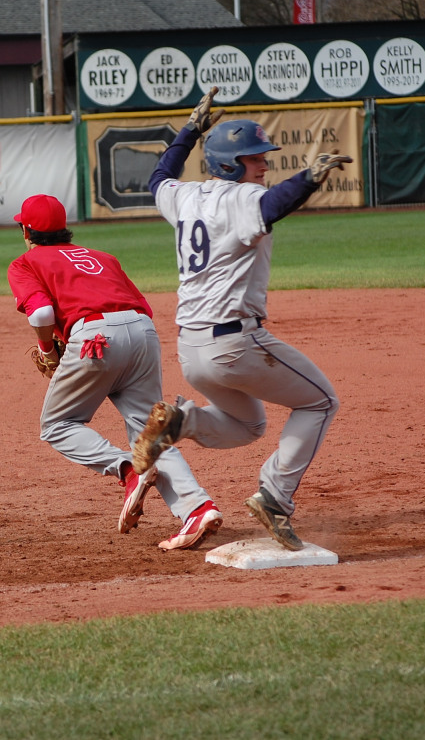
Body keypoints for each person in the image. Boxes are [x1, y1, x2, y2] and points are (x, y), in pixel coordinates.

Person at [133, 88, 349, 551]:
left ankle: (182, 421)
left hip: (191, 348)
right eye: (255, 158)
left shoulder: (183, 197)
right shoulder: (244, 199)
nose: (264, 165)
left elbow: (158, 176)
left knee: (249, 425)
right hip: (234, 343)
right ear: (232, 165)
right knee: (320, 402)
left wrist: (189, 130)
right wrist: (310, 178)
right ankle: (275, 497)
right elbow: (273, 206)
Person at [7, 194, 223, 551]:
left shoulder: (25, 262)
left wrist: (49, 350)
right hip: (143, 334)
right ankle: (198, 509)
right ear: (64, 228)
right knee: (149, 431)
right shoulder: (102, 257)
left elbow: (42, 314)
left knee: (57, 425)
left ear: (27, 230)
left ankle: (127, 470)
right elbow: (145, 307)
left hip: (96, 339)